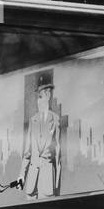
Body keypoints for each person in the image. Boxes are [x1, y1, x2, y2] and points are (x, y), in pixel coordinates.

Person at [19, 71, 61, 199]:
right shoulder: (33, 120)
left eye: (41, 96)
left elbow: (58, 154)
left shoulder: (55, 119)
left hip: (47, 181)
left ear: (48, 95)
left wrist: (57, 183)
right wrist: (22, 175)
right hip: (32, 181)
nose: (39, 100)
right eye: (38, 97)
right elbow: (27, 153)